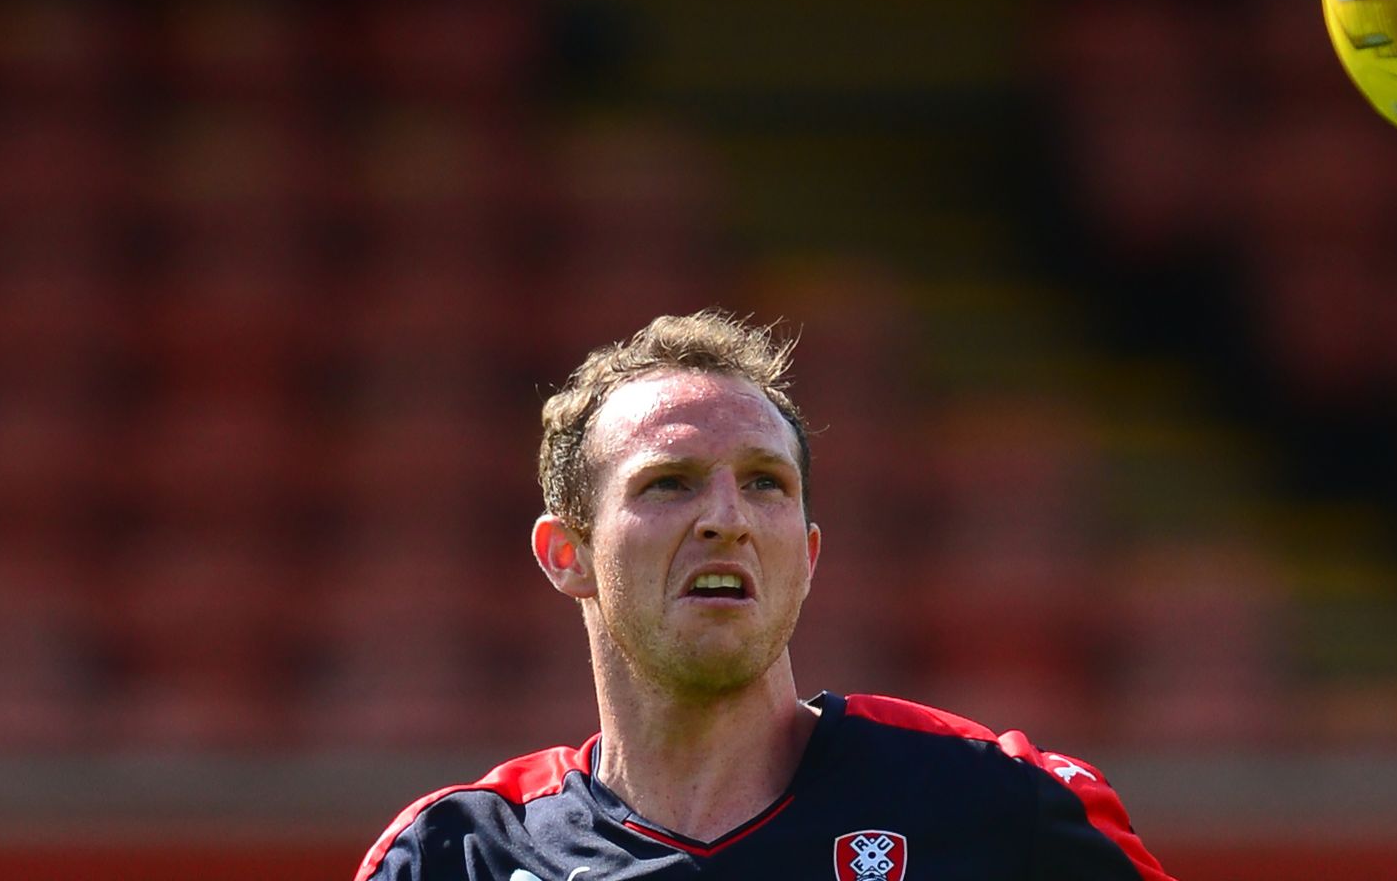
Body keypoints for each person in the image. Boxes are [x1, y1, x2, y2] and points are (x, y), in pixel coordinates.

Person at [356, 310, 1176, 880]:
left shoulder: (997, 805)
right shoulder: (458, 856)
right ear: (567, 554)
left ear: (808, 555)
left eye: (765, 484)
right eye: (670, 484)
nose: (727, 520)